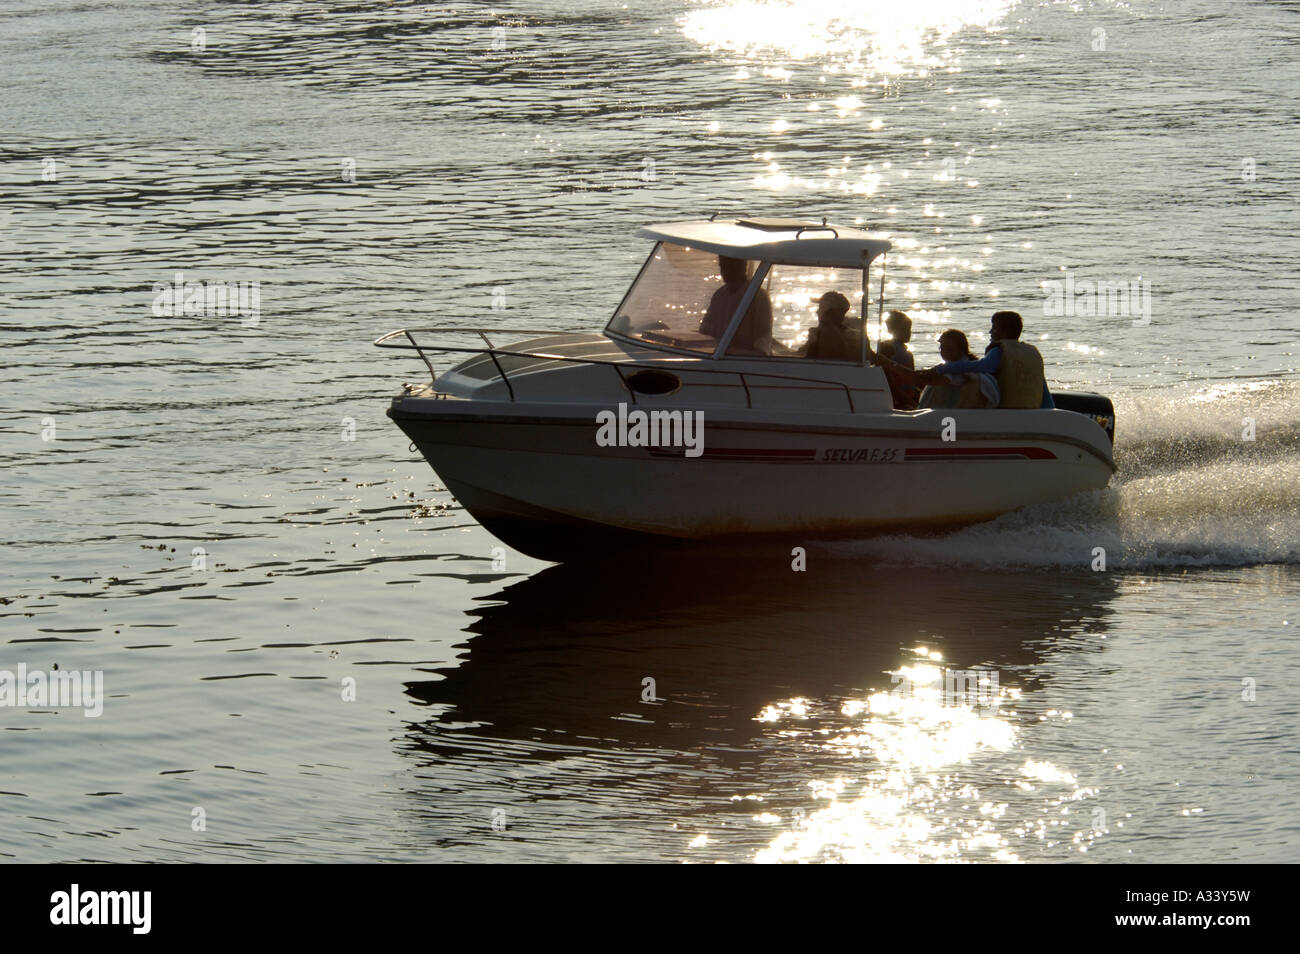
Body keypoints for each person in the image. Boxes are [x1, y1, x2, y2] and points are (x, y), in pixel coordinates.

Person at [921, 310, 1053, 409]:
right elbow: (1043, 389)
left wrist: (942, 368)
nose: (990, 332)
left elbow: (982, 366)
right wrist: (1050, 410)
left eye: (994, 327)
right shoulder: (1032, 352)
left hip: (1009, 411)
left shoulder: (998, 350)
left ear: (1004, 331)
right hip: (1034, 410)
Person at [699, 256, 773, 355]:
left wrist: (731, 352)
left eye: (730, 266)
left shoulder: (759, 297)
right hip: (717, 358)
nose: (725, 271)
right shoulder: (719, 295)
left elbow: (762, 346)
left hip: (741, 363)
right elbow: (705, 331)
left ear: (743, 267)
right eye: (723, 266)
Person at [917, 329, 999, 409]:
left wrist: (914, 376)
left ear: (961, 351)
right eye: (942, 348)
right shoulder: (952, 366)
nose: (944, 352)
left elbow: (942, 380)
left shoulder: (961, 372)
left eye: (949, 349)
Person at [802, 291, 862, 361]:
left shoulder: (822, 335)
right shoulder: (857, 337)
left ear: (828, 312)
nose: (817, 312)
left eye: (821, 308)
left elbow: (803, 358)